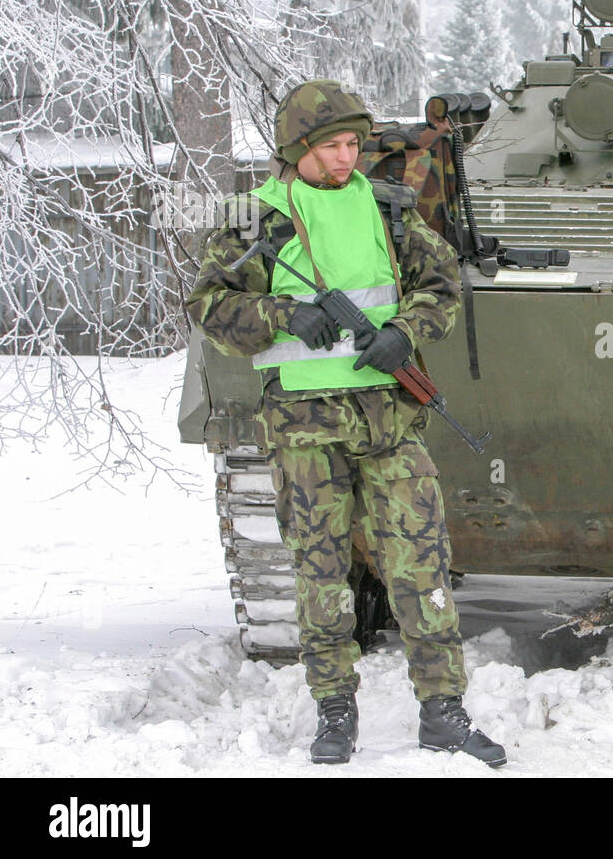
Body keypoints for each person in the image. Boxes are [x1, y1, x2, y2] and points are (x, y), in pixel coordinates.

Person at [185, 79, 505, 767]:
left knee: (421, 565)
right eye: (331, 145)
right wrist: (280, 315)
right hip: (302, 430)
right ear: (297, 149)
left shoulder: (387, 209)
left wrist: (405, 331)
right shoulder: (256, 221)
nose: (345, 157)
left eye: (353, 144)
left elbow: (442, 282)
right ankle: (335, 711)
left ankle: (442, 710)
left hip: (388, 421)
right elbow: (209, 306)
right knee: (321, 573)